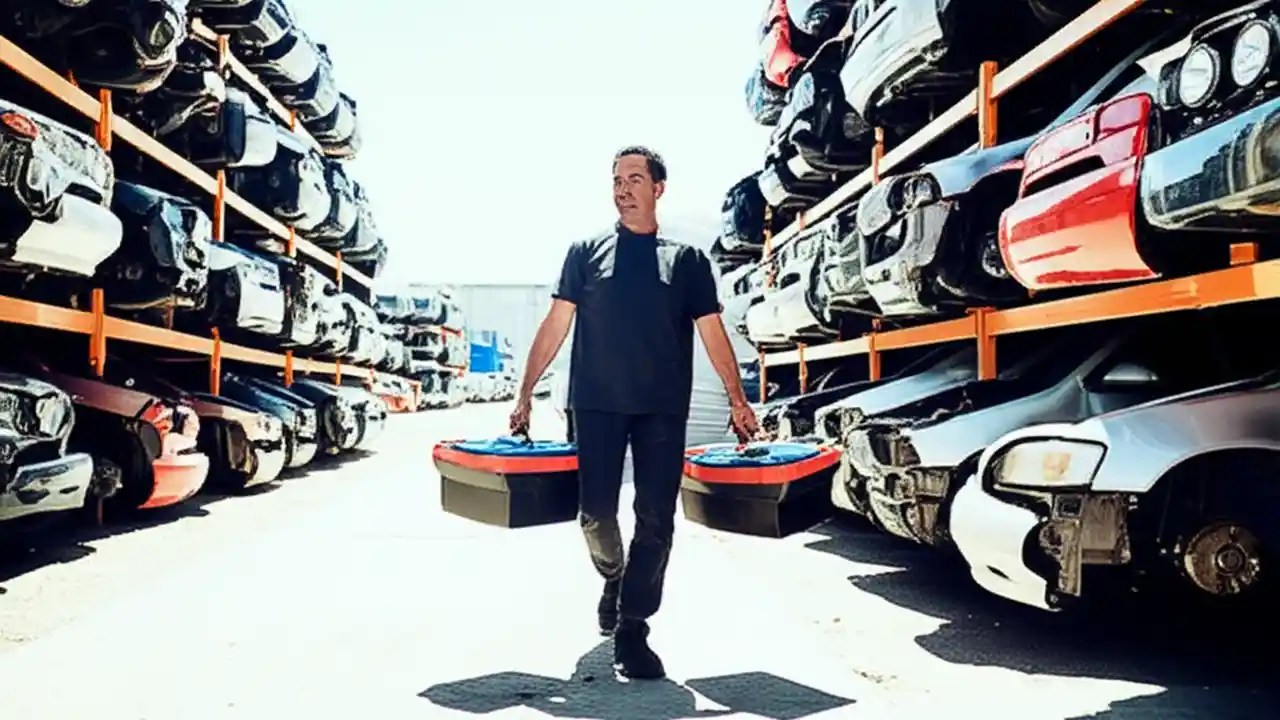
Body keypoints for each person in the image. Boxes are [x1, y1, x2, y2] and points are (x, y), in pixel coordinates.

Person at [509, 146, 759, 680]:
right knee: (595, 513)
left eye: (634, 179)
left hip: (662, 411)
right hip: (596, 405)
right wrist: (525, 390)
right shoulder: (585, 252)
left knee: (656, 521)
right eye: (616, 180)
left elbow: (712, 333)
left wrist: (738, 399)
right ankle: (615, 575)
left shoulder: (687, 262)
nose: (622, 188)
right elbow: (556, 326)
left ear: (658, 189)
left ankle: (634, 627)